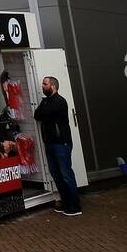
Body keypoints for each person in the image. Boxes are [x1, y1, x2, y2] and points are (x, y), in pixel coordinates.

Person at [34, 76, 81, 216]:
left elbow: (44, 114)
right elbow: (37, 115)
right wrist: (43, 105)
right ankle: (66, 203)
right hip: (50, 143)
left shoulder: (59, 101)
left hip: (61, 144)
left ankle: (75, 206)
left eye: (45, 84)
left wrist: (44, 108)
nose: (42, 86)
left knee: (66, 174)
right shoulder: (46, 101)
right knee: (56, 174)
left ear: (53, 86)